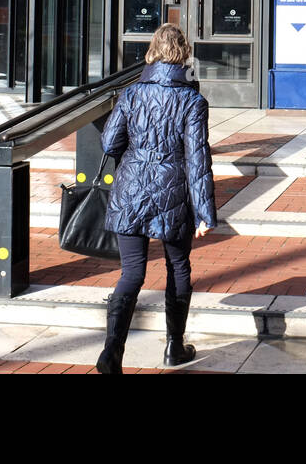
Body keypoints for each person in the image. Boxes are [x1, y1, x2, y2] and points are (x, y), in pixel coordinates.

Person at [96, 23, 216, 374]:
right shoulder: (192, 100)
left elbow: (109, 143)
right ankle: (173, 348)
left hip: (131, 188)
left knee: (131, 271)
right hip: (174, 193)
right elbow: (197, 159)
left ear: (152, 52)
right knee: (178, 266)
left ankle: (111, 353)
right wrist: (205, 212)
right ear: (184, 54)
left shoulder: (131, 94)